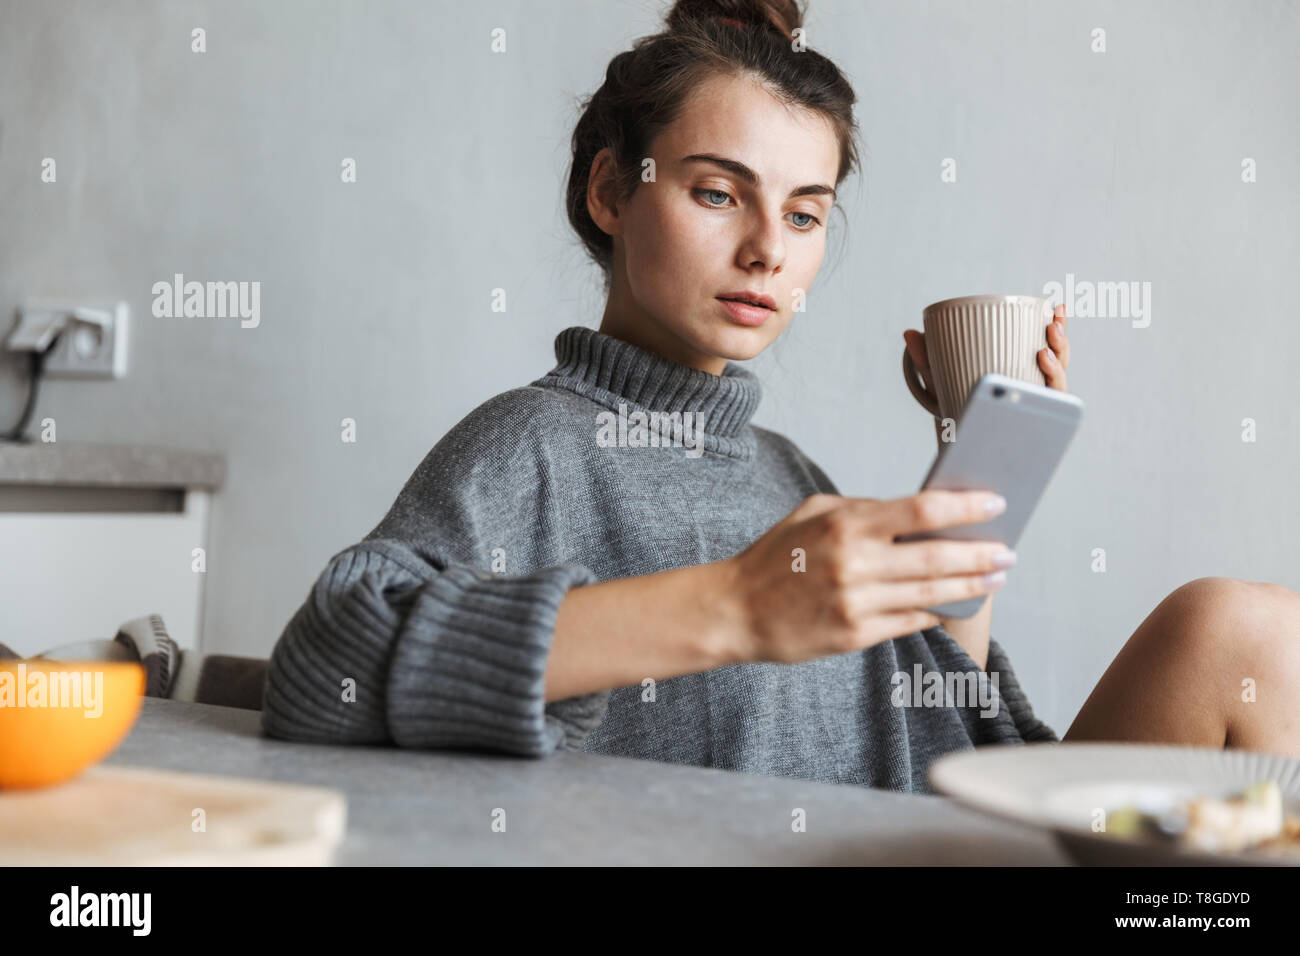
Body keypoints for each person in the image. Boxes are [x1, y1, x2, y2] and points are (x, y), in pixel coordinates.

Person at [261, 0, 1300, 791]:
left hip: (917, 841)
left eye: (805, 215)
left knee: (1247, 633)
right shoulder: (528, 447)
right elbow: (322, 670)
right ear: (612, 191)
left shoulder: (786, 475)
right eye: (718, 193)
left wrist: (980, 457)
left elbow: (930, 727)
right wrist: (733, 605)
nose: (766, 250)